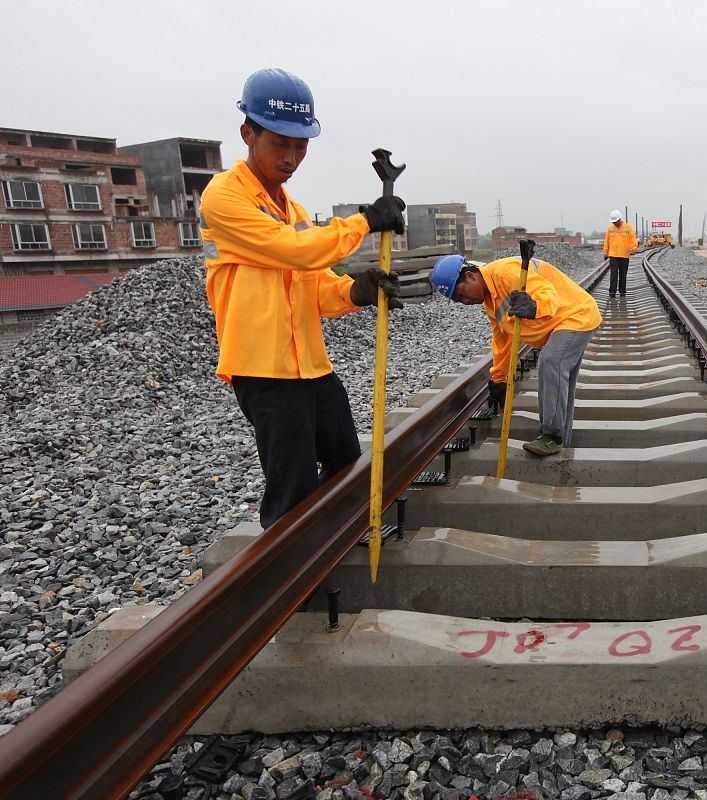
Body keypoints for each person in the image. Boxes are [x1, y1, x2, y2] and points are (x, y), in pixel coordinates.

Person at [200, 67, 407, 528]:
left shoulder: (288, 206)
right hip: (262, 365)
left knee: (345, 461)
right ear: (248, 134)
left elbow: (310, 282)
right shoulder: (224, 197)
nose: (293, 156)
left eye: (301, 145)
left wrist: (356, 290)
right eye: (281, 142)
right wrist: (364, 222)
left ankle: (336, 544)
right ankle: (289, 580)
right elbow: (294, 251)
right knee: (291, 487)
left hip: (309, 361)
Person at [430, 251, 601, 456]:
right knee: (562, 384)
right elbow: (503, 340)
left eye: (461, 293)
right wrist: (500, 378)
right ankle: (561, 442)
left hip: (575, 315)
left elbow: (546, 292)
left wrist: (535, 306)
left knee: (551, 363)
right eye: (457, 300)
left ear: (470, 276)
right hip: (561, 323)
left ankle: (551, 436)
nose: (463, 301)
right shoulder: (490, 303)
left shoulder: (504, 274)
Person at [603, 210, 638, 297]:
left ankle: (622, 291)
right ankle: (612, 292)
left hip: (624, 255)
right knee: (613, 274)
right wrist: (605, 252)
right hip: (613, 255)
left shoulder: (628, 228)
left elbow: (633, 238)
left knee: (623, 274)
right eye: (613, 222)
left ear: (620, 219)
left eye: (615, 221)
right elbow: (606, 241)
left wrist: (634, 248)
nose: (614, 223)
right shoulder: (610, 229)